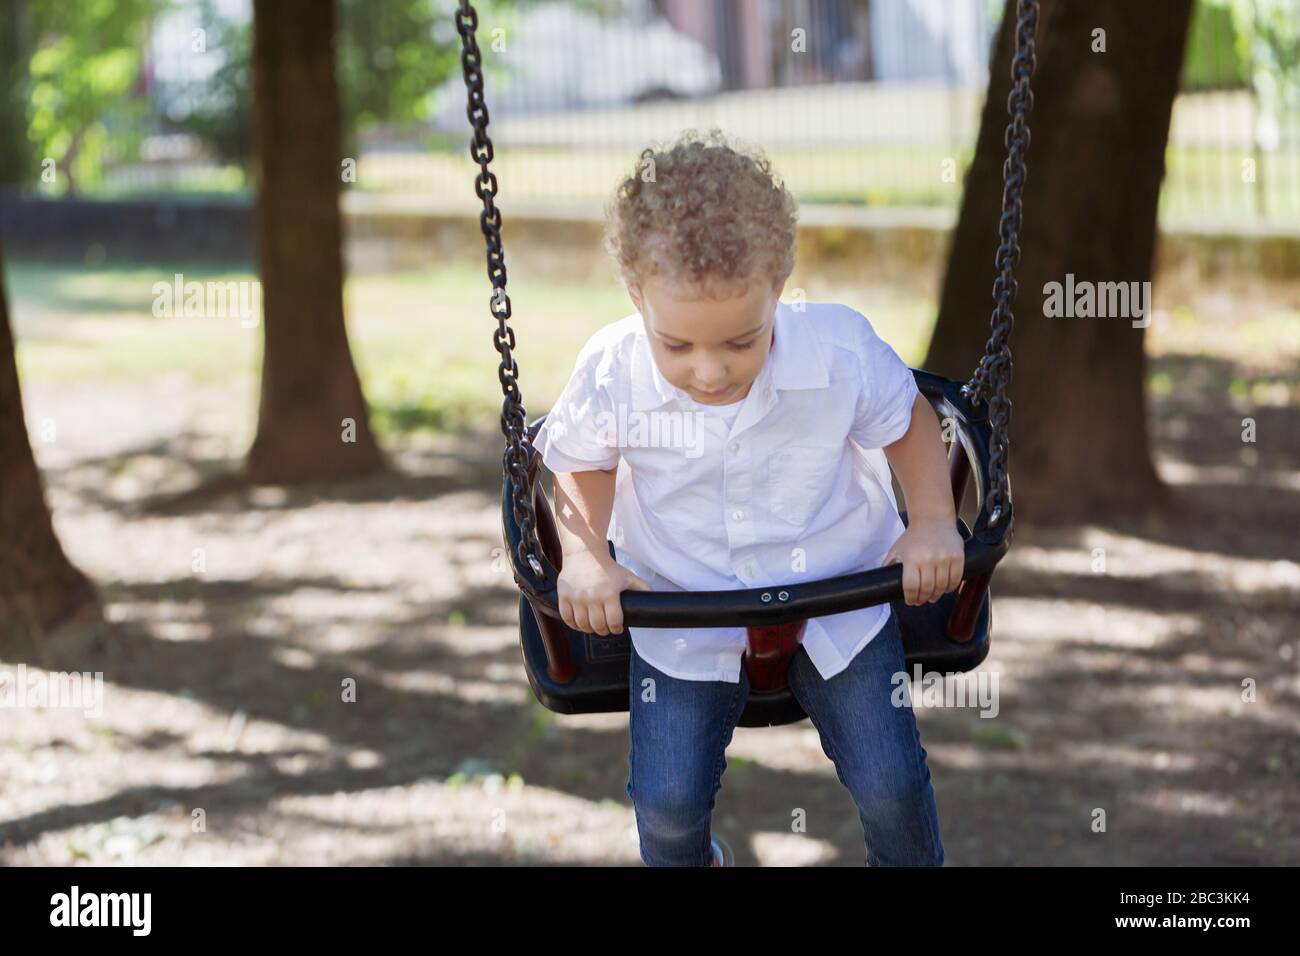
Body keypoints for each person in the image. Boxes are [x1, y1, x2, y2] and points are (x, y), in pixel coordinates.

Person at [532, 129, 962, 867]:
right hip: (681, 607)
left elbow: (910, 420)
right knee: (666, 807)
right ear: (636, 295)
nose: (708, 371)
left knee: (892, 784)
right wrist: (585, 556)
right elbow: (580, 460)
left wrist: (930, 520)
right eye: (678, 346)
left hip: (841, 598)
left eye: (741, 341)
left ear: (780, 281)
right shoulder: (613, 369)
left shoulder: (837, 350)